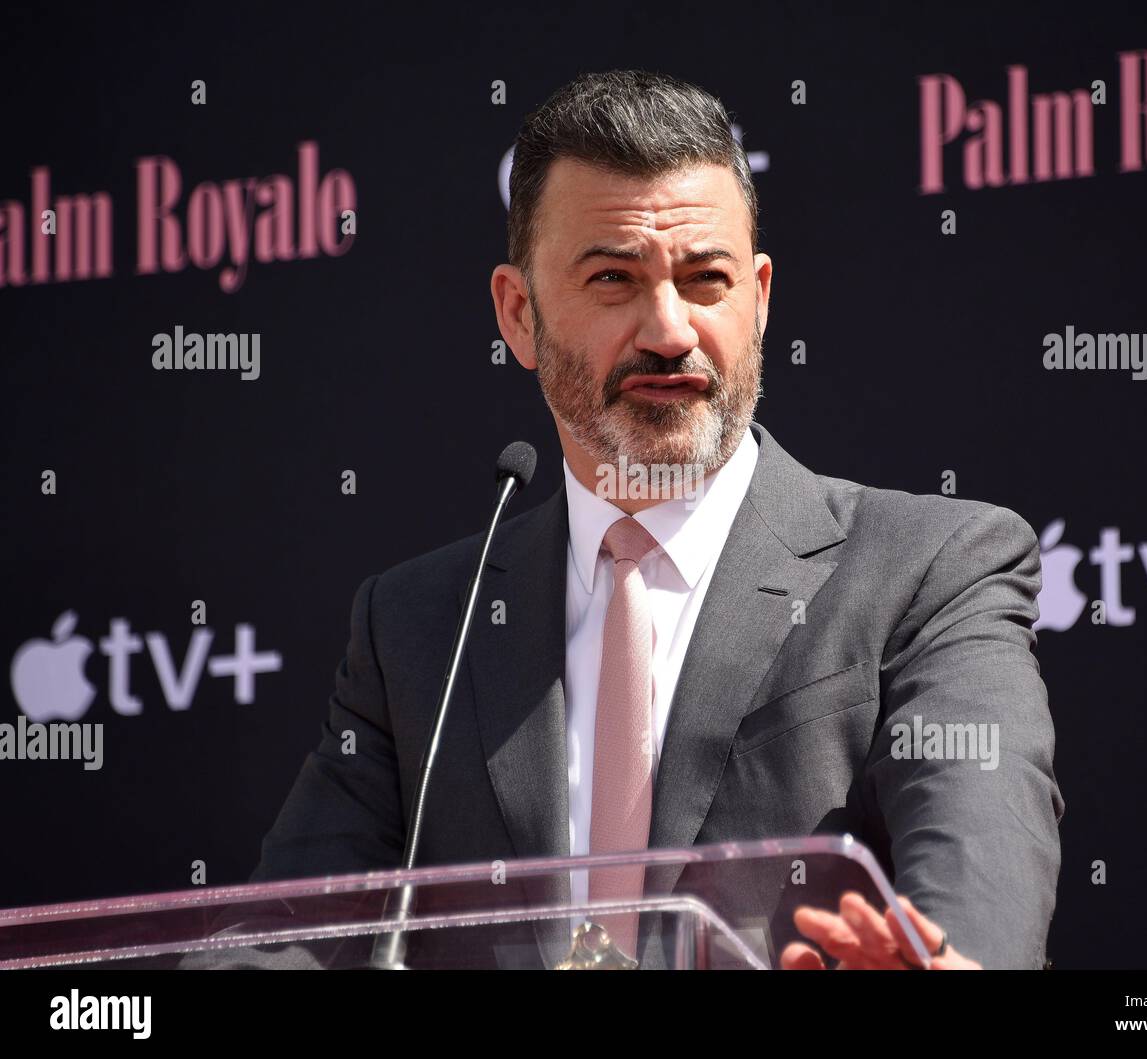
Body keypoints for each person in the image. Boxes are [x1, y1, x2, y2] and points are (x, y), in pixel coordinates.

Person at [251, 69, 1064, 970]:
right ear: (518, 314)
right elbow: (283, 937)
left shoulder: (930, 569)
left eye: (705, 279)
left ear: (758, 299)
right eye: (614, 278)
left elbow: (981, 843)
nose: (670, 329)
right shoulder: (416, 628)